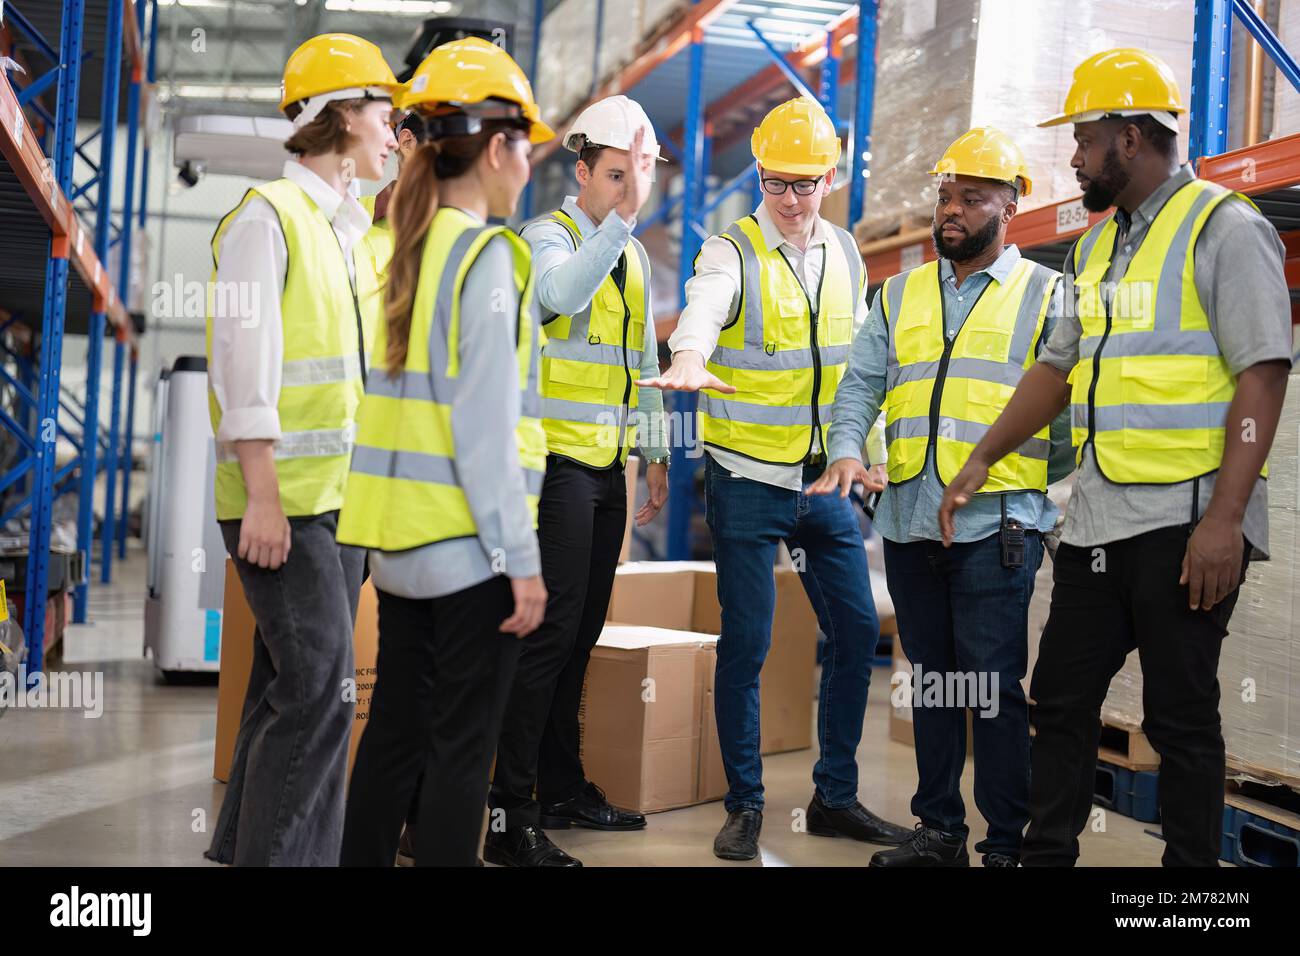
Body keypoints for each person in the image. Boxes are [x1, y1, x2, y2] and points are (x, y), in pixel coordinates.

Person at [938, 48, 1292, 867]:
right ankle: (1046, 858)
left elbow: (1263, 376)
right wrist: (985, 456)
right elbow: (1057, 370)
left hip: (1188, 522)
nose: (1073, 155)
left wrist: (1226, 523)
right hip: (1102, 516)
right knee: (1060, 701)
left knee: (1180, 718)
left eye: (1085, 137)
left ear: (1130, 139)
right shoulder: (1097, 251)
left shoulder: (1224, 226)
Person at [639, 97, 910, 862]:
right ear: (759, 175)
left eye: (805, 184)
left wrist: (874, 445)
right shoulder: (731, 247)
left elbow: (860, 364)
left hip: (824, 482)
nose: (790, 201)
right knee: (748, 642)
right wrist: (688, 352)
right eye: (775, 184)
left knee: (856, 628)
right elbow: (705, 301)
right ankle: (746, 804)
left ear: (830, 177)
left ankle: (836, 797)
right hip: (748, 482)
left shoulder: (847, 253)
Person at [810, 128, 1074, 867]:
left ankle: (1004, 845)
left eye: (971, 198)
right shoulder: (898, 293)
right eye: (945, 196)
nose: (951, 211)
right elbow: (861, 384)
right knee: (929, 683)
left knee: (989, 689)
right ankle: (938, 832)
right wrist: (848, 447)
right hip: (909, 521)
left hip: (998, 528)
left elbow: (1065, 417)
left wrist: (1021, 485)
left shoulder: (1046, 295)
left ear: (1009, 208)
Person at [335, 36, 554, 868]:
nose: (531, 163)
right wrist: (522, 562)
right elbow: (486, 430)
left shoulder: (404, 252)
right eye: (527, 145)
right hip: (470, 552)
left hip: (395, 548)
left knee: (394, 738)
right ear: (497, 148)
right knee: (463, 750)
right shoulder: (489, 257)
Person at [203, 33, 399, 867]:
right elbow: (243, 367)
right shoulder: (265, 218)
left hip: (335, 502)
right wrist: (263, 496)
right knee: (321, 690)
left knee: (284, 687)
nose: (396, 130)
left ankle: (233, 849)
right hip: (283, 503)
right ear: (345, 114)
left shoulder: (345, 232)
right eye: (386, 113)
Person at [485, 95, 670, 867]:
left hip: (605, 472)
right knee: (548, 636)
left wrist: (655, 451)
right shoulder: (544, 239)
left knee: (582, 632)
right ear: (583, 170)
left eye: (640, 177)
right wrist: (624, 219)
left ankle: (561, 786)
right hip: (554, 467)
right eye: (617, 175)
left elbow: (644, 364)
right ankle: (510, 812)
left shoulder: (629, 255)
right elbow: (559, 299)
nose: (629, 190)